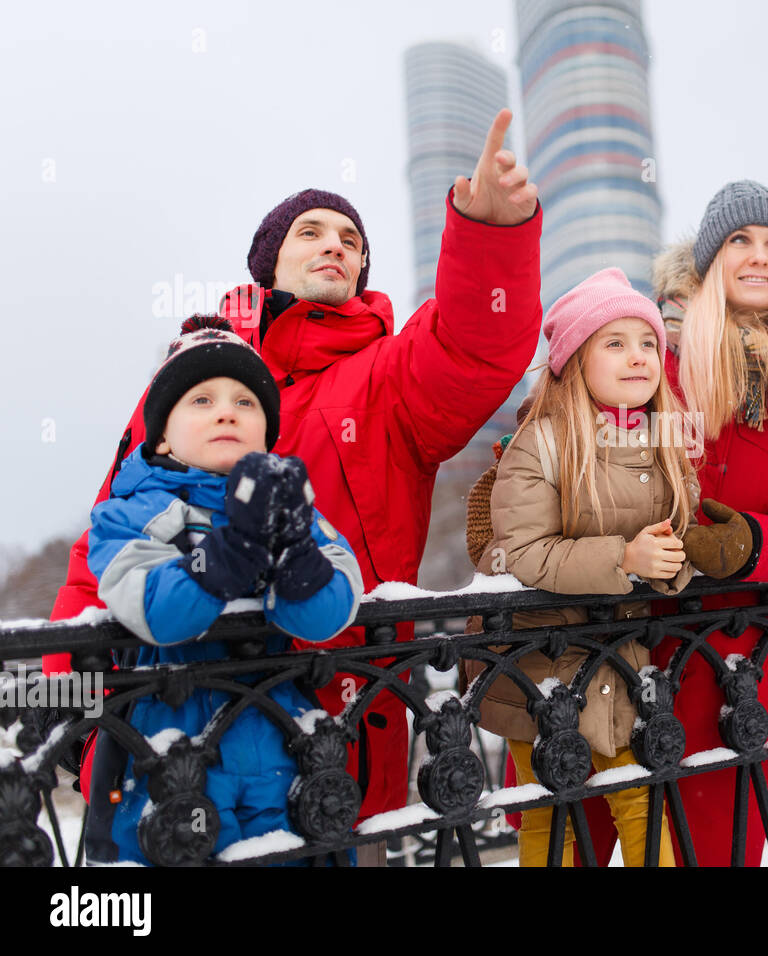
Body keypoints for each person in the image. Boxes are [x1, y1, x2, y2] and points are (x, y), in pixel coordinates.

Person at [47, 110, 543, 845]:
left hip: (332, 733)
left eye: (350, 240)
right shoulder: (186, 382)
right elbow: (109, 537)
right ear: (269, 263)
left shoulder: (389, 375)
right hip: (171, 728)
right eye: (310, 232)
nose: (334, 245)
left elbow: (476, 350)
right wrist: (69, 699)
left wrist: (489, 238)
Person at [573, 181, 768, 865]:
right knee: (590, 843)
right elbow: (572, 463)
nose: (760, 256)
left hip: (732, 659)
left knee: (716, 846)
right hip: (614, 639)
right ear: (709, 260)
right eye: (740, 241)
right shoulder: (645, 354)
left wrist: (749, 544)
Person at [87, 316, 363, 864]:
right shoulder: (126, 514)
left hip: (283, 749)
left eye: (246, 402)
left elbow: (333, 609)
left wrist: (294, 553)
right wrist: (233, 550)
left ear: (266, 433)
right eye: (201, 400)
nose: (226, 411)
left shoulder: (298, 511)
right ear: (162, 433)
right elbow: (154, 610)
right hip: (172, 757)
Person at [466, 268, 699, 866]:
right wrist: (622, 557)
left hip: (619, 658)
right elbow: (522, 552)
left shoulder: (666, 443)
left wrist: (675, 559)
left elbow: (675, 541)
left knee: (644, 807)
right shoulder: (540, 443)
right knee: (548, 816)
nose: (639, 356)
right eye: (614, 343)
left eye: (648, 342)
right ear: (575, 361)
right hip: (537, 666)